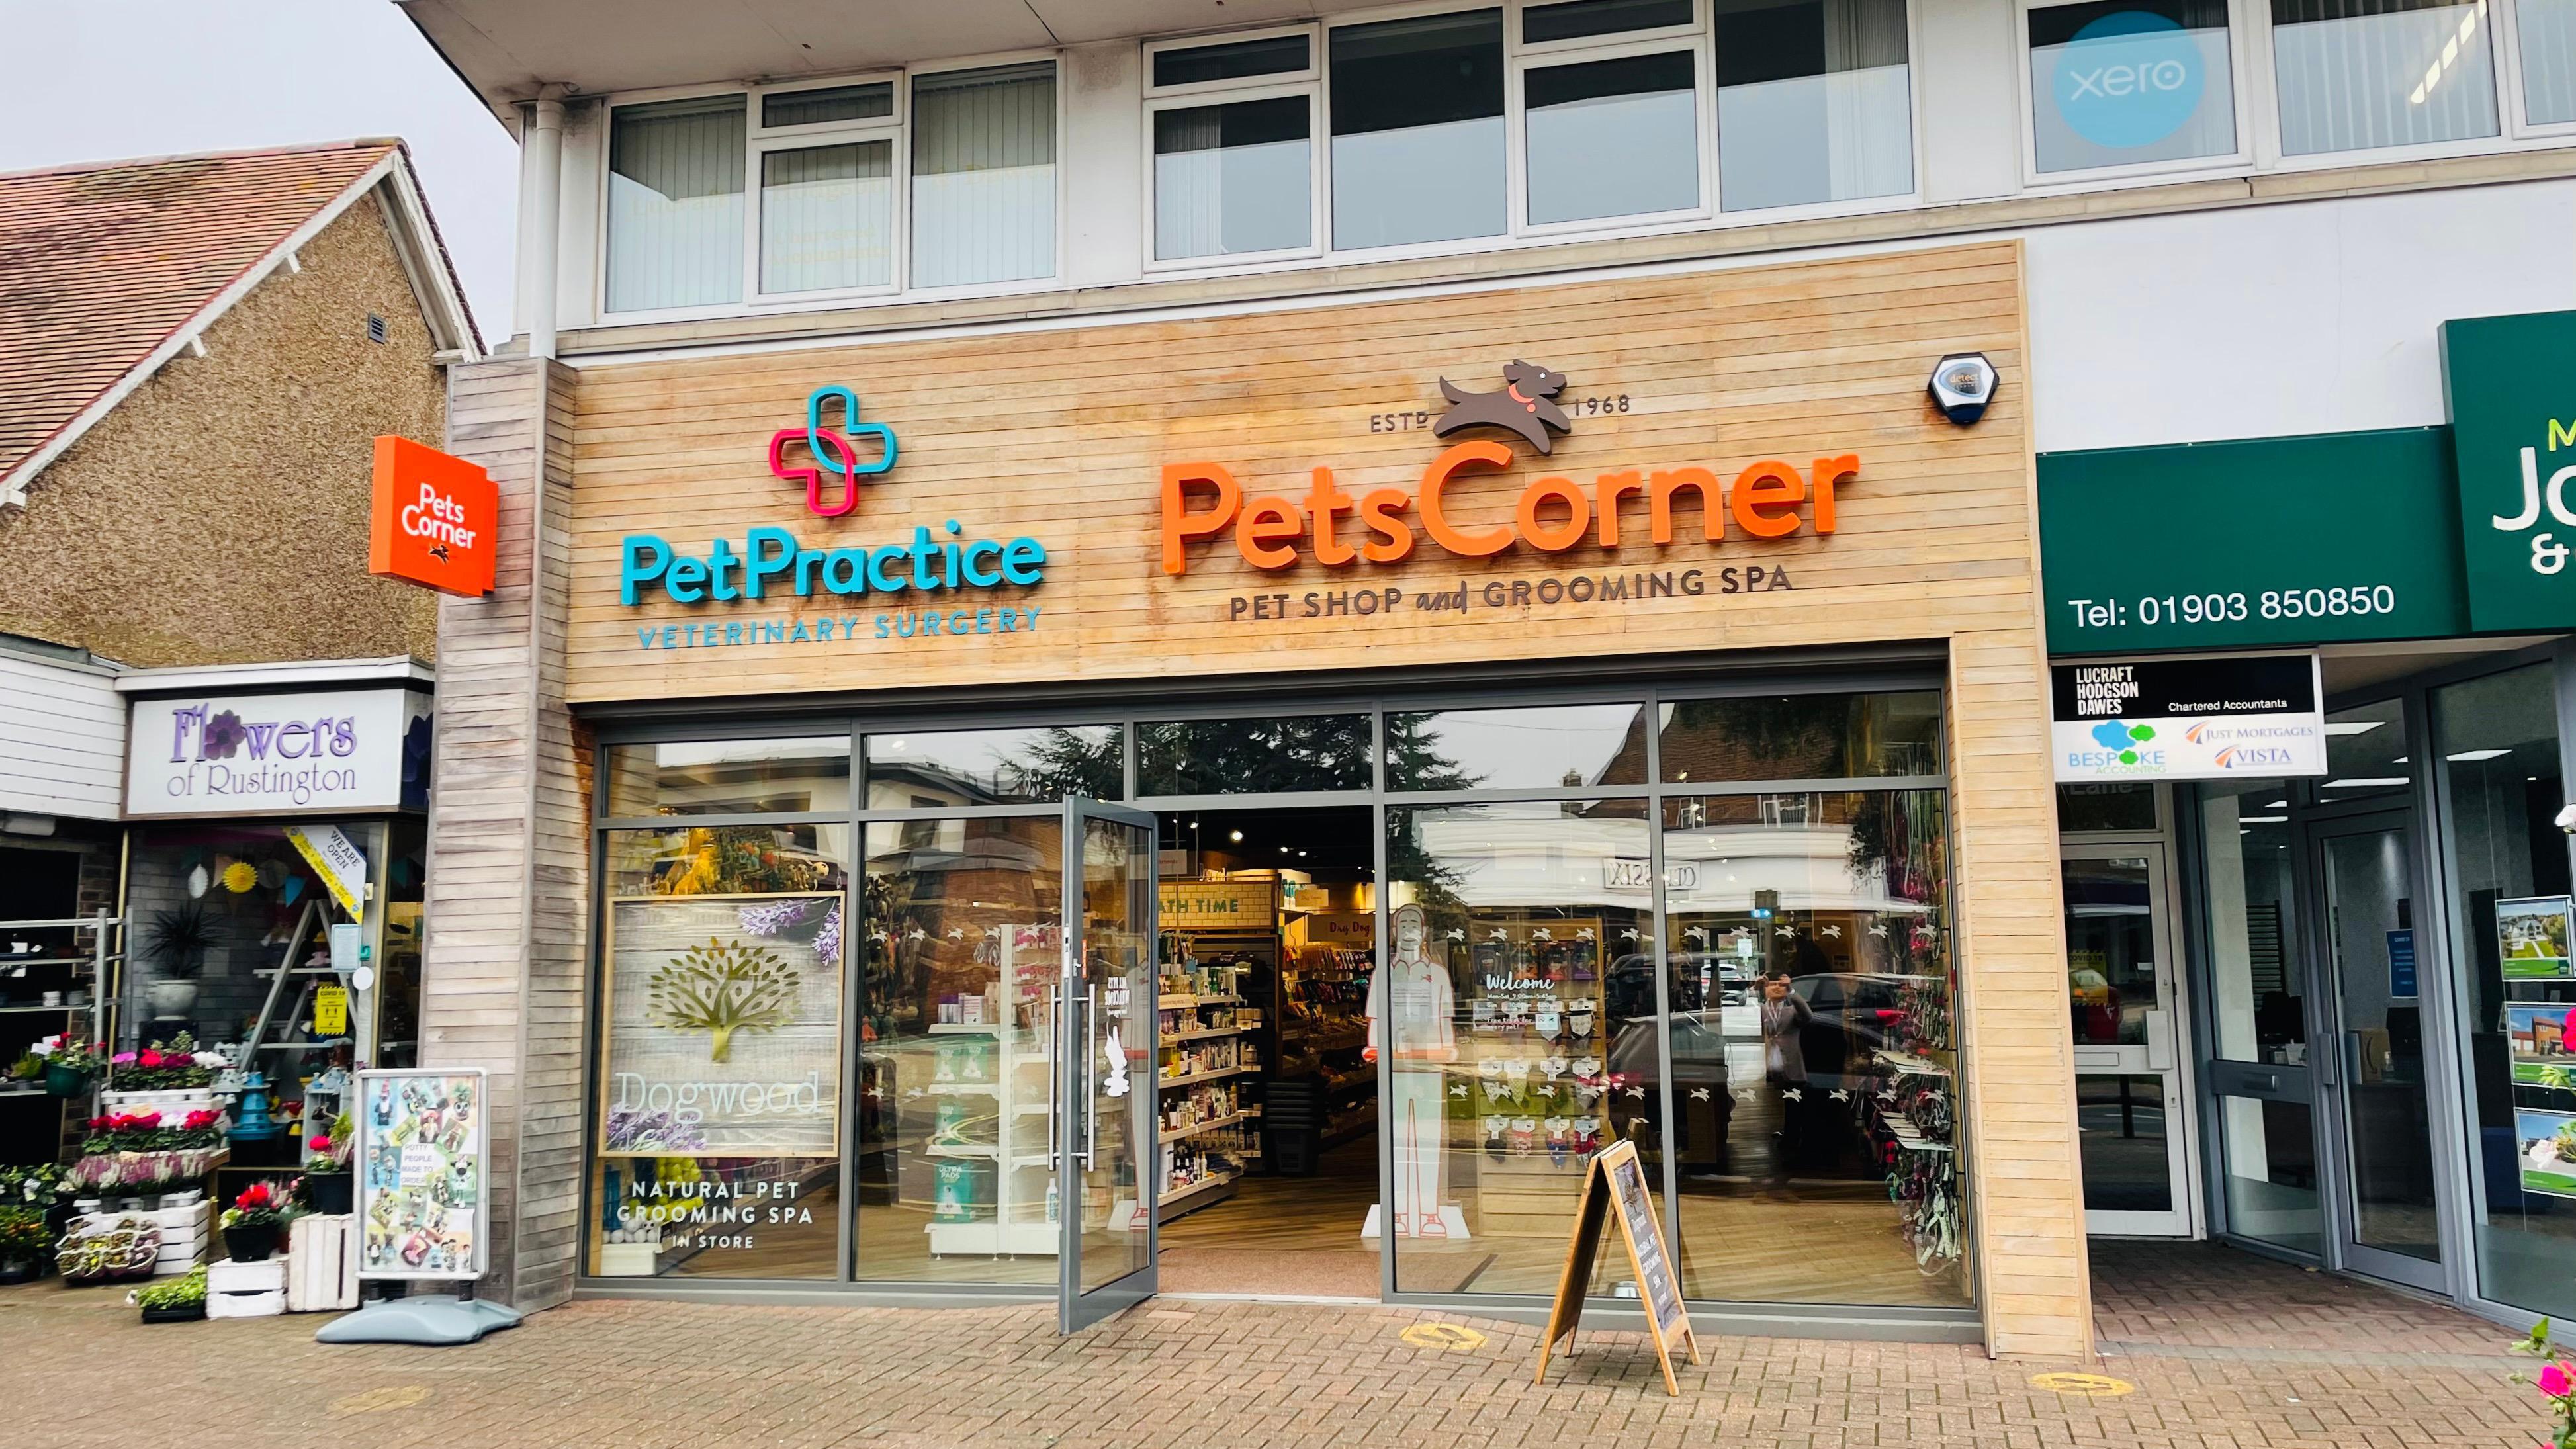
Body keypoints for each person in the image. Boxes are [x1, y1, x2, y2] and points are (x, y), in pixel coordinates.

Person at [1759, 971, 1813, 1187]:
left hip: (1791, 1064)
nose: (1776, 988)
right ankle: (1787, 1135)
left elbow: (1808, 1016)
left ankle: (1793, 1143)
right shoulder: (1762, 1009)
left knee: (1794, 1105)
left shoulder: (1791, 1011)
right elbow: (1740, 1013)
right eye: (1771, 984)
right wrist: (1753, 989)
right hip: (1773, 1064)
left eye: (1780, 985)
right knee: (1781, 1102)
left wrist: (1791, 991)